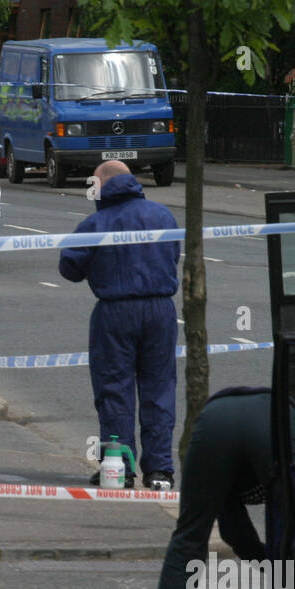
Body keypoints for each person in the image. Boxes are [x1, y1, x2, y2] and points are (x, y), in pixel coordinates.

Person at [144, 386, 295, 589]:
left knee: (189, 535)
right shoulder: (291, 423)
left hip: (212, 424)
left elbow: (235, 533)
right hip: (269, 425)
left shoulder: (224, 424)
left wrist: (266, 564)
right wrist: (281, 570)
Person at [58, 160, 180, 490]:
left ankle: (119, 467)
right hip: (160, 311)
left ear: (104, 185)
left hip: (114, 313)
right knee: (159, 388)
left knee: (115, 389)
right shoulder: (163, 215)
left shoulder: (95, 223)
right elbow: (173, 255)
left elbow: (69, 268)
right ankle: (160, 471)